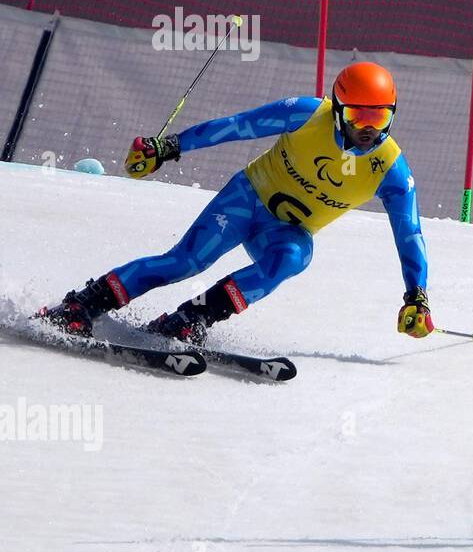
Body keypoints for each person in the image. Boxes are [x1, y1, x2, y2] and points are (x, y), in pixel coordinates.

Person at [38, 62, 437, 342]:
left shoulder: (391, 172)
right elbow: (236, 127)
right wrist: (170, 146)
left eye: (379, 119)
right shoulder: (305, 114)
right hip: (246, 201)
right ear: (337, 108)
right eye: (357, 115)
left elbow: (410, 235)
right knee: (185, 262)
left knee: (295, 257)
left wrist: (416, 297)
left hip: (284, 231)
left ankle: (190, 318)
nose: (367, 129)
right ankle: (81, 305)